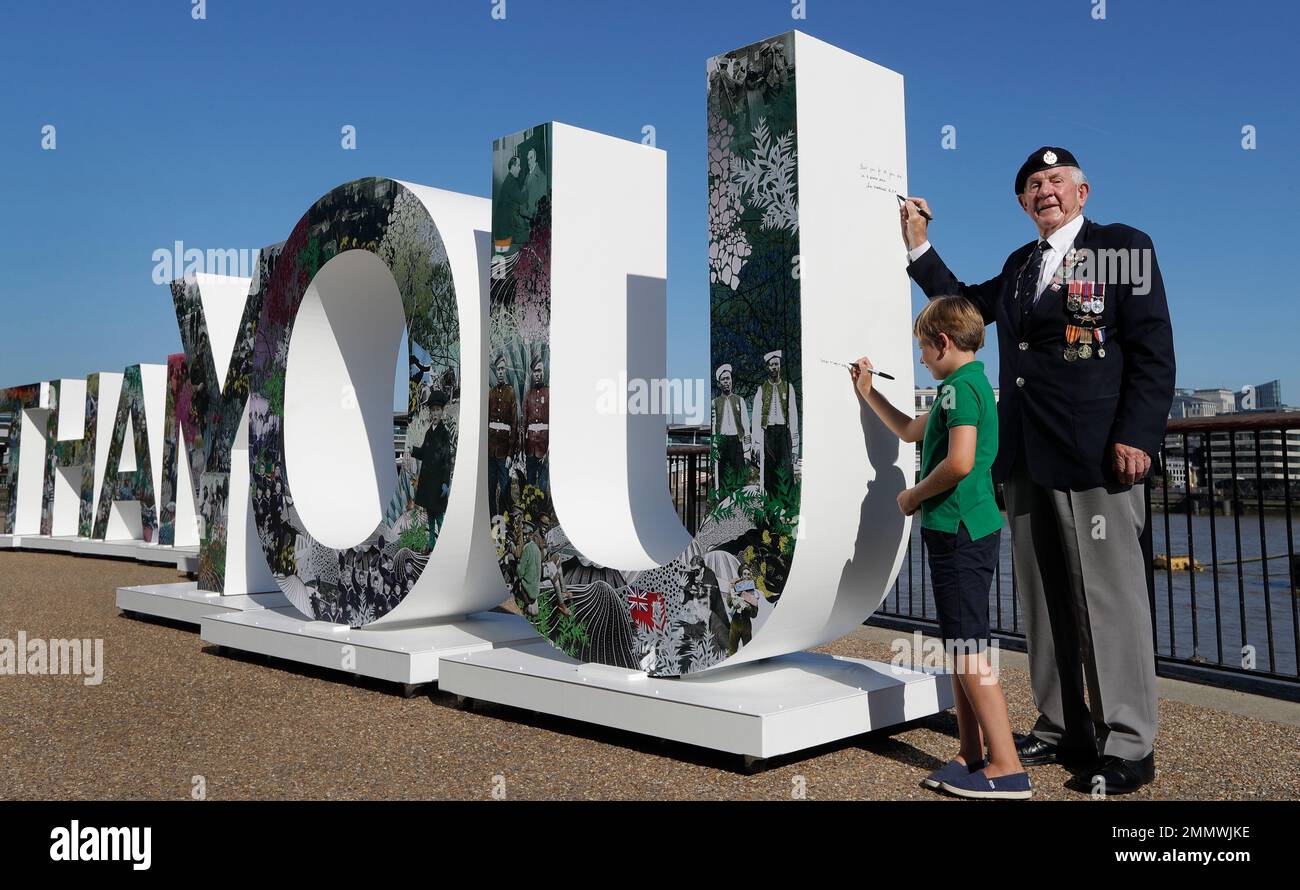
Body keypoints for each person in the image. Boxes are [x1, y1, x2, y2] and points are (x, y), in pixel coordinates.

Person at [901, 146, 1175, 793]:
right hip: (1024, 460)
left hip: (1095, 459)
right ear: (1023, 204)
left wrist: (1138, 433)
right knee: (1044, 604)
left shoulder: (1121, 248)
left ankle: (1129, 743)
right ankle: (1061, 727)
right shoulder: (1020, 265)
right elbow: (963, 309)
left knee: (1109, 603)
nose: (1044, 189)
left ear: (1083, 191)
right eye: (1032, 184)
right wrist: (919, 247)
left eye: (1055, 180)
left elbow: (1153, 348)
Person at [853, 296, 1030, 799]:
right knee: (960, 643)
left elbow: (959, 463)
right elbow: (911, 429)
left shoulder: (959, 390)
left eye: (923, 350)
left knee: (969, 647)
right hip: (963, 528)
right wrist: (869, 393)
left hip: (958, 529)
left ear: (943, 343)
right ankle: (972, 753)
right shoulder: (962, 387)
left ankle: (1007, 766)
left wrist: (910, 496)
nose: (921, 359)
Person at [750, 350, 799, 496]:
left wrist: (795, 445)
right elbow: (756, 418)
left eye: (776, 364)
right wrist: (756, 444)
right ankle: (771, 503)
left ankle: (786, 504)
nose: (774, 367)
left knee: (786, 468)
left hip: (784, 433)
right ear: (767, 367)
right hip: (768, 433)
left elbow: (794, 415)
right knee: (770, 469)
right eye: (771, 365)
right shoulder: (761, 390)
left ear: (780, 366)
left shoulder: (788, 387)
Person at [410, 389, 452, 533]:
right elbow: (424, 453)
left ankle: (442, 540)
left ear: (442, 411)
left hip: (438, 483)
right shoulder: (429, 432)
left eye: (438, 410)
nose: (435, 413)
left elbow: (447, 460)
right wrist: (413, 450)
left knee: (438, 515)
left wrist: (445, 483)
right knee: (430, 516)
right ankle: (431, 544)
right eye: (433, 410)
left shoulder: (444, 434)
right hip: (428, 481)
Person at [487, 354, 518, 518]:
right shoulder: (491, 394)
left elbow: (514, 424)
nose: (500, 372)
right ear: (495, 370)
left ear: (505, 371)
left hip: (504, 451)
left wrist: (510, 454)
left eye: (502, 369)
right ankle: (492, 519)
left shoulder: (510, 392)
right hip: (490, 450)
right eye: (498, 369)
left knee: (505, 486)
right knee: (490, 487)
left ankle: (504, 520)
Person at [712, 364, 750, 490]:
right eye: (723, 379)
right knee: (723, 480)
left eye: (728, 378)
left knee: (738, 479)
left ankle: (738, 509)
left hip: (737, 443)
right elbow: (713, 428)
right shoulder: (715, 403)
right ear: (719, 383)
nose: (726, 382)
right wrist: (715, 448)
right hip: (722, 443)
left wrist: (747, 451)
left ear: (732, 380)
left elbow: (746, 425)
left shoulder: (740, 400)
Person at [522, 356, 550, 492]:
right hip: (530, 447)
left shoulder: (549, 393)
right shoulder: (528, 395)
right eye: (535, 371)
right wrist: (522, 447)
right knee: (529, 487)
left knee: (543, 487)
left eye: (539, 371)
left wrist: (550, 448)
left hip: (544, 446)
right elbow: (524, 423)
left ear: (543, 371)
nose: (537, 374)